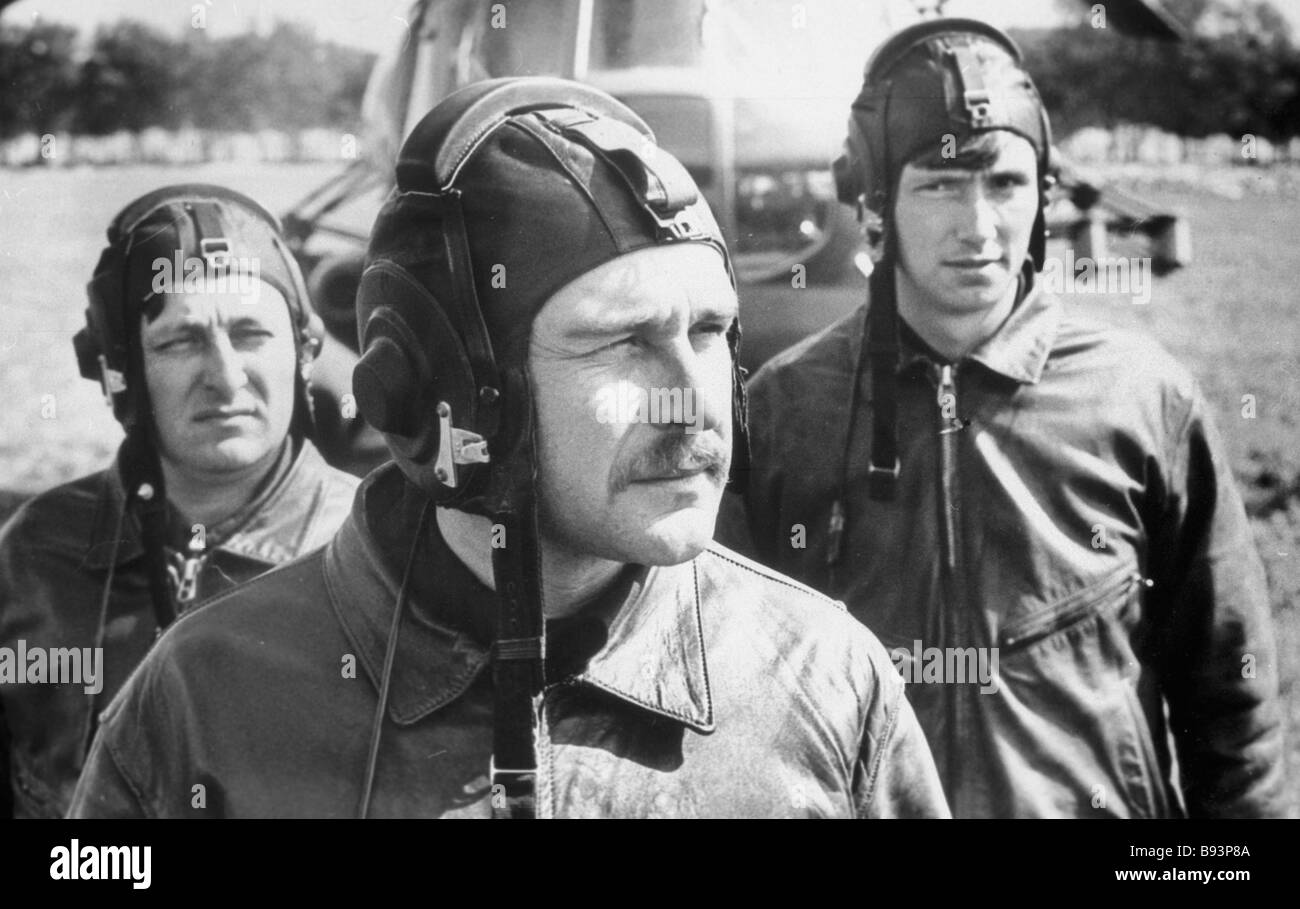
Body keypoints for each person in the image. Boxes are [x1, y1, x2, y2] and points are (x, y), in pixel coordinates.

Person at [69, 79, 948, 819]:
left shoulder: (827, 678)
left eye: (711, 330)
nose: (694, 400)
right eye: (624, 341)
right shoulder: (200, 700)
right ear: (448, 387)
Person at [719, 19, 1286, 817]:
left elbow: (1231, 700)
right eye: (941, 184)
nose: (979, 227)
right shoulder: (782, 412)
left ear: (1044, 194)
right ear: (877, 201)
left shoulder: (1143, 398)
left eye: (1006, 184)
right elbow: (728, 704)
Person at [0, 185, 359, 818]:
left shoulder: (379, 556)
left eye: (250, 334)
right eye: (179, 342)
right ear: (121, 370)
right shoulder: (36, 557)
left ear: (303, 353)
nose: (225, 376)